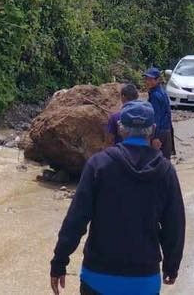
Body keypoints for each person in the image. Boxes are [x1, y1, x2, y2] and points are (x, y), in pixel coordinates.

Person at [51, 101, 186, 295]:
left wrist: (59, 262)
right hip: (144, 279)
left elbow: (76, 219)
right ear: (153, 130)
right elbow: (175, 224)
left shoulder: (99, 165)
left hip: (98, 276)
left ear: (120, 129)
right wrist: (172, 266)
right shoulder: (165, 171)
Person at [143, 68, 175, 160]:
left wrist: (155, 136)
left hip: (159, 132)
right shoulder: (162, 92)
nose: (147, 82)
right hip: (167, 130)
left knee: (155, 161)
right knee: (165, 161)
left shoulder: (155, 96)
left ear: (157, 80)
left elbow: (156, 117)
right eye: (146, 79)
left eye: (150, 79)